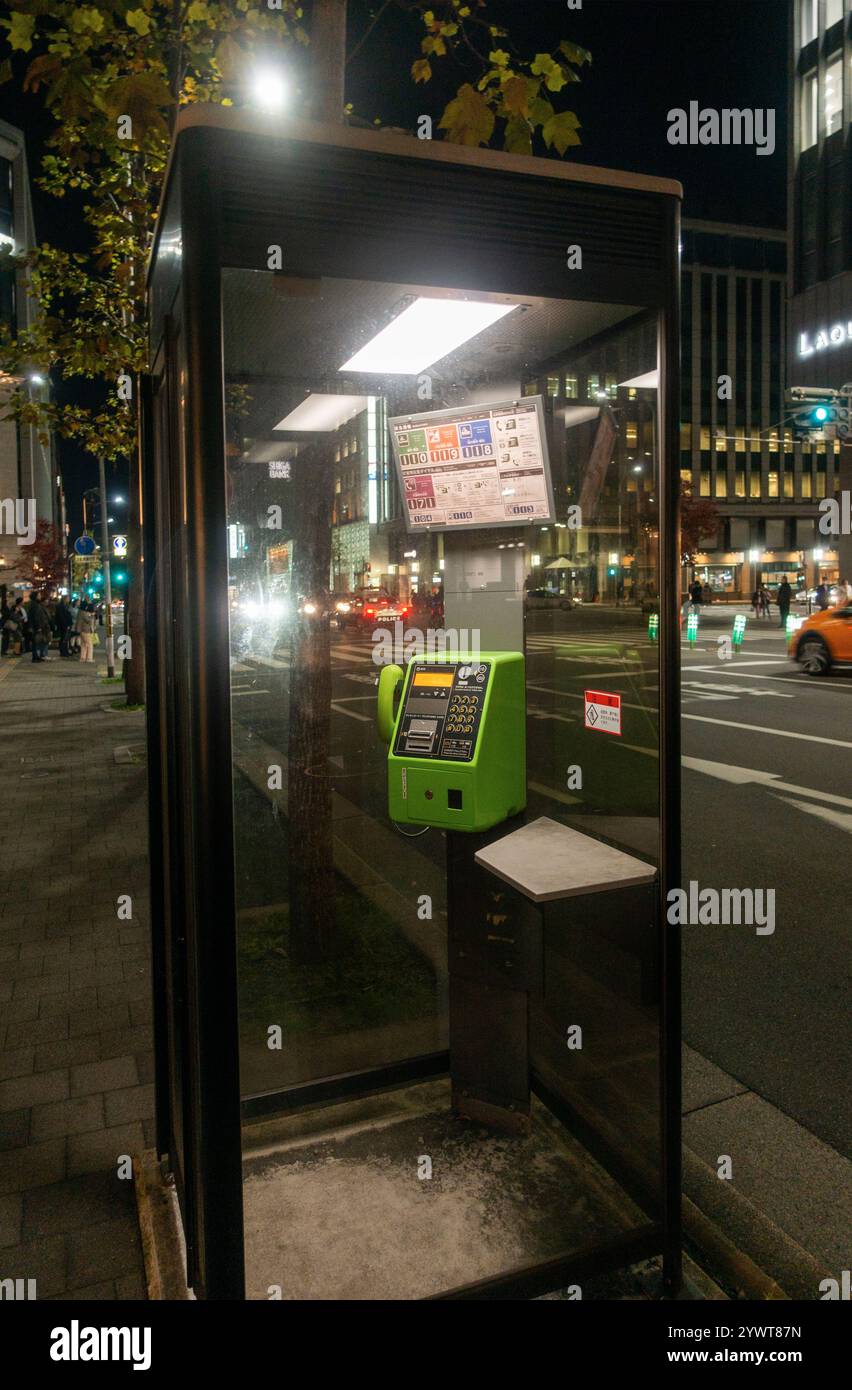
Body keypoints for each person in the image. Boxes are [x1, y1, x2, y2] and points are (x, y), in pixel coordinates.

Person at [26, 590, 52, 663]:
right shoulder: (35, 605)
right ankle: (35, 657)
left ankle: (36, 656)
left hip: (35, 626)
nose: (40, 596)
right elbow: (36, 617)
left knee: (36, 642)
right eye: (39, 595)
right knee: (35, 642)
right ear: (36, 596)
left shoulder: (34, 604)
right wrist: (38, 627)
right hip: (36, 626)